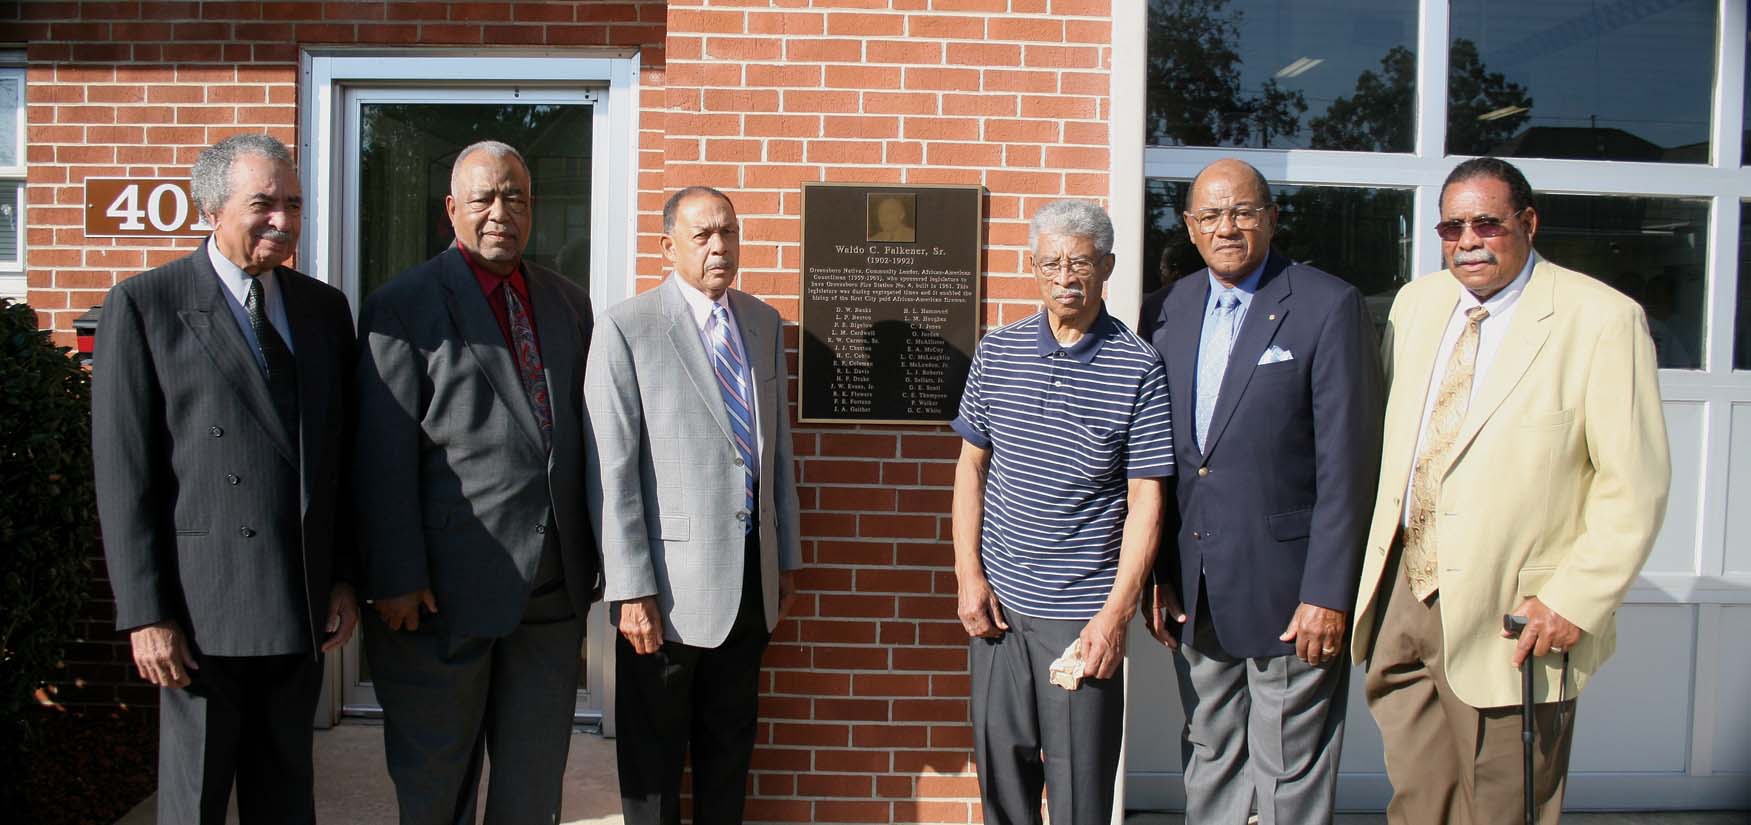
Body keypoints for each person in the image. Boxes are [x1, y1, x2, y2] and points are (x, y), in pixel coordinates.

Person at [1351, 157, 1671, 825]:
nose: (1466, 239)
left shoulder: (1600, 319)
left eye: (1486, 223)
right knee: (1415, 798)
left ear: (1527, 223)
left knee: (1501, 806)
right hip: (1404, 596)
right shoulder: (1417, 305)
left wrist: (1572, 599)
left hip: (1515, 613)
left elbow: (1633, 484)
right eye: (1451, 225)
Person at [92, 133, 359, 824]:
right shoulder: (147, 305)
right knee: (195, 803)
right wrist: (146, 614)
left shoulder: (324, 309)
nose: (284, 220)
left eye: (294, 204)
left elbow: (339, 456)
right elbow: (125, 477)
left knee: (285, 798)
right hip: (199, 614)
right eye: (264, 203)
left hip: (299, 605)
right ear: (212, 206)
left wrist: (342, 577)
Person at [353, 140, 599, 825]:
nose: (501, 213)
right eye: (485, 198)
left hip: (549, 597)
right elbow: (381, 453)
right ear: (451, 209)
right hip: (441, 598)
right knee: (436, 789)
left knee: (531, 788)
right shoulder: (401, 306)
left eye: (515, 197)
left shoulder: (567, 303)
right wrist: (394, 574)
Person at [1137, 158, 1384, 825]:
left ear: (1271, 218)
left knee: (1288, 764)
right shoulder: (1164, 310)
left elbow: (1349, 462)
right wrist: (1159, 573)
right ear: (1188, 227)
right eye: (1211, 215)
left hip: (1291, 589)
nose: (1228, 227)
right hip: (1196, 584)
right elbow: (1159, 458)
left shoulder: (1326, 304)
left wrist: (1327, 593)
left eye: (1243, 211)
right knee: (1210, 747)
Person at [584, 186, 803, 825]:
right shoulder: (628, 327)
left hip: (748, 583)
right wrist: (629, 589)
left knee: (729, 756)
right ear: (667, 247)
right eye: (703, 235)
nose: (719, 247)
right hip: (665, 596)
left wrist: (784, 559)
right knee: (653, 770)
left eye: (728, 233)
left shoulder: (762, 323)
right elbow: (613, 472)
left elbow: (777, 451)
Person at [952, 199, 1173, 825]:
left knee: (1080, 795)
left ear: (1107, 266)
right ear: (1033, 267)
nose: (1065, 277)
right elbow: (970, 468)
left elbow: (1146, 502)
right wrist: (969, 576)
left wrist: (1115, 616)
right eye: (1051, 263)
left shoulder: (1138, 367)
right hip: (997, 611)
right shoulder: (998, 350)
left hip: (1081, 616)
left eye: (1080, 263)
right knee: (1003, 783)